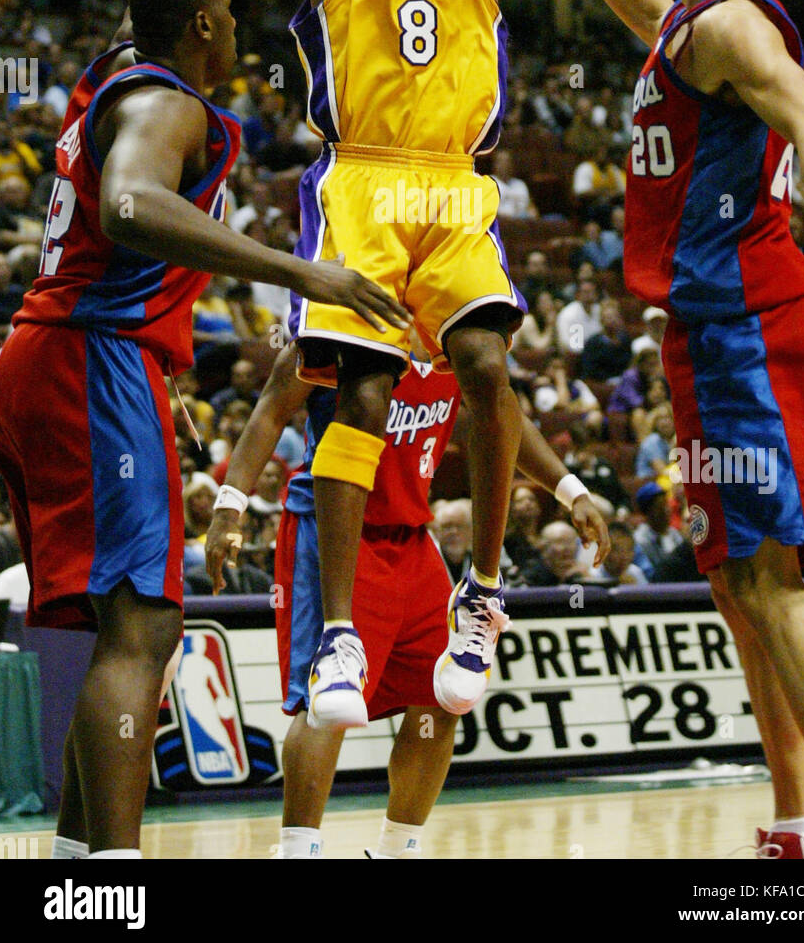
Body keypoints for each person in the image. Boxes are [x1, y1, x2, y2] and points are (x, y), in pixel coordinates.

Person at [0, 0, 407, 862]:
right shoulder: (169, 102)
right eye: (228, 12)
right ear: (206, 33)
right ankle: (114, 880)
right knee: (144, 620)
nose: (234, 22)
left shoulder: (133, 52)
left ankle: (80, 877)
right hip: (89, 359)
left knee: (95, 622)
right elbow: (129, 206)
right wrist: (296, 267)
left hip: (45, 360)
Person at [481, 0, 804, 859]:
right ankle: (793, 820)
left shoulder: (734, 23)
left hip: (750, 318)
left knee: (773, 579)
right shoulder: (690, 30)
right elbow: (647, 10)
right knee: (738, 584)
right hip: (702, 329)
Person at [286, 0, 540, 730]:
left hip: (451, 185)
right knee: (362, 400)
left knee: (484, 366)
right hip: (363, 183)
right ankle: (338, 631)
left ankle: (480, 588)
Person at [204, 338, 607, 858]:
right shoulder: (343, 320)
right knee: (325, 703)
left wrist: (569, 489)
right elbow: (270, 409)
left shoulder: (458, 332)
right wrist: (229, 506)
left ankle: (399, 849)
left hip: (411, 535)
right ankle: (297, 850)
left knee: (443, 697)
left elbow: (501, 413)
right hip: (334, 532)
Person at [633, 481, 685, 578]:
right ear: (647, 513)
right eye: (659, 507)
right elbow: (651, 575)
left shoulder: (673, 533)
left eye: (666, 504)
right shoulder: (641, 540)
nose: (666, 511)